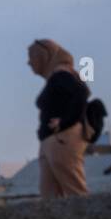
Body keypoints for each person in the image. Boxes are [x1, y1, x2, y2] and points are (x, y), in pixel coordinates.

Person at [28, 38, 90, 198]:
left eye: (32, 57)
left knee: (74, 189)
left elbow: (81, 93)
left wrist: (65, 122)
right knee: (49, 195)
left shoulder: (61, 73)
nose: (29, 62)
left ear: (43, 56)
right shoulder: (55, 77)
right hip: (51, 141)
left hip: (62, 138)